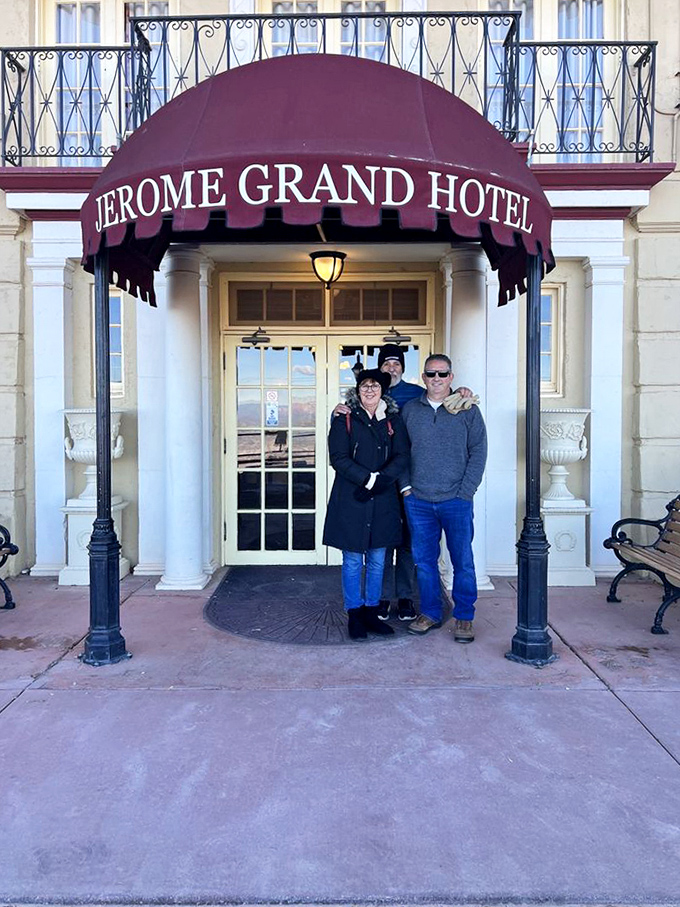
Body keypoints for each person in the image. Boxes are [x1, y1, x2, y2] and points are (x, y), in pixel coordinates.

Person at [333, 343, 474, 624]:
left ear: (404, 369)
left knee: (410, 545)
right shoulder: (360, 400)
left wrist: (461, 392)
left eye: (396, 364)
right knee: (380, 545)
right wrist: (338, 411)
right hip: (380, 487)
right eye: (387, 364)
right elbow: (344, 439)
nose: (392, 368)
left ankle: (407, 596)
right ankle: (381, 599)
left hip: (410, 487)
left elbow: (440, 396)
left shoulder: (416, 394)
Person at [400, 354, 487, 644]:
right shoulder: (411, 410)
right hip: (419, 500)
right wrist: (406, 488)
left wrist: (466, 492)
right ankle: (430, 613)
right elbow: (400, 451)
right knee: (425, 562)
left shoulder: (467, 409)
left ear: (451, 377)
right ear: (423, 377)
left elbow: (479, 451)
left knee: (462, 561)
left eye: (442, 373)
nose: (436, 379)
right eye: (431, 374)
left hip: (456, 500)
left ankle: (464, 617)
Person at [323, 368, 410, 640]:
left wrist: (381, 480)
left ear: (383, 391)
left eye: (375, 386)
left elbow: (402, 455)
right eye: (365, 385)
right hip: (351, 497)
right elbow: (338, 457)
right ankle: (355, 615)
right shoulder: (344, 418)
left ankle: (372, 613)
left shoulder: (393, 420)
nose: (370, 390)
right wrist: (367, 479)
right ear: (358, 390)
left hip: (383, 497)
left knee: (376, 559)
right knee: (351, 560)